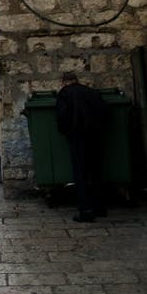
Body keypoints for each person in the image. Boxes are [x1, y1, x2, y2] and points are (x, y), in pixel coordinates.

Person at [55, 71, 107, 222]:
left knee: (81, 174)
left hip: (78, 138)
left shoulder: (64, 94)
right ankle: (100, 208)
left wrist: (66, 132)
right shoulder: (92, 92)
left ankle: (85, 210)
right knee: (96, 172)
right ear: (77, 80)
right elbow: (105, 112)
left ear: (64, 82)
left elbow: (61, 116)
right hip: (96, 137)